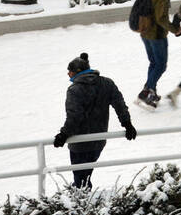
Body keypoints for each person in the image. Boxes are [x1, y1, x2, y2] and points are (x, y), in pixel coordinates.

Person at [54, 52, 136, 188]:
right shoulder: (106, 83)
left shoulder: (74, 90)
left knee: (81, 180)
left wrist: (63, 135)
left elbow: (75, 116)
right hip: (99, 140)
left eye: (70, 71)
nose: (68, 74)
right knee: (85, 176)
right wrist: (127, 124)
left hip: (79, 143)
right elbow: (119, 104)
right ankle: (81, 198)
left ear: (77, 72)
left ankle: (81, 203)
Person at [136, 0, 181, 108]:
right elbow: (161, 19)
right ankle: (146, 92)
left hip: (144, 31)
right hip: (156, 34)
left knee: (154, 63)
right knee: (161, 65)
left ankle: (151, 92)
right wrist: (175, 30)